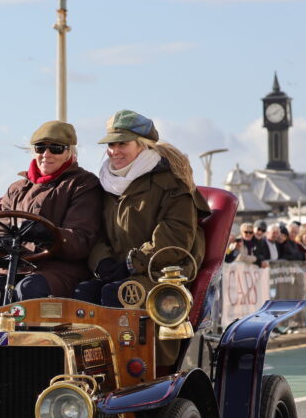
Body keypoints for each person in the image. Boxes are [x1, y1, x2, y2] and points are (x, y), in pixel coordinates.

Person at [75, 110, 209, 369]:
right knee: (82, 294)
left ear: (143, 145)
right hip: (119, 270)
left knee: (120, 294)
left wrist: (130, 263)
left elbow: (174, 241)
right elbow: (98, 234)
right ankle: (86, 370)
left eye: (122, 143)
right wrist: (101, 263)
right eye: (111, 144)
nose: (114, 150)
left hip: (164, 272)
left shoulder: (173, 185)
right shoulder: (107, 186)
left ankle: (134, 370)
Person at [0, 121, 102, 301]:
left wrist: (48, 234)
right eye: (40, 148)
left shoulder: (82, 184)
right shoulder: (16, 188)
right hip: (13, 266)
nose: (46, 154)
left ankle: (32, 330)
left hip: (59, 268)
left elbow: (81, 240)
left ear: (70, 152)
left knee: (29, 289)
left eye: (56, 148)